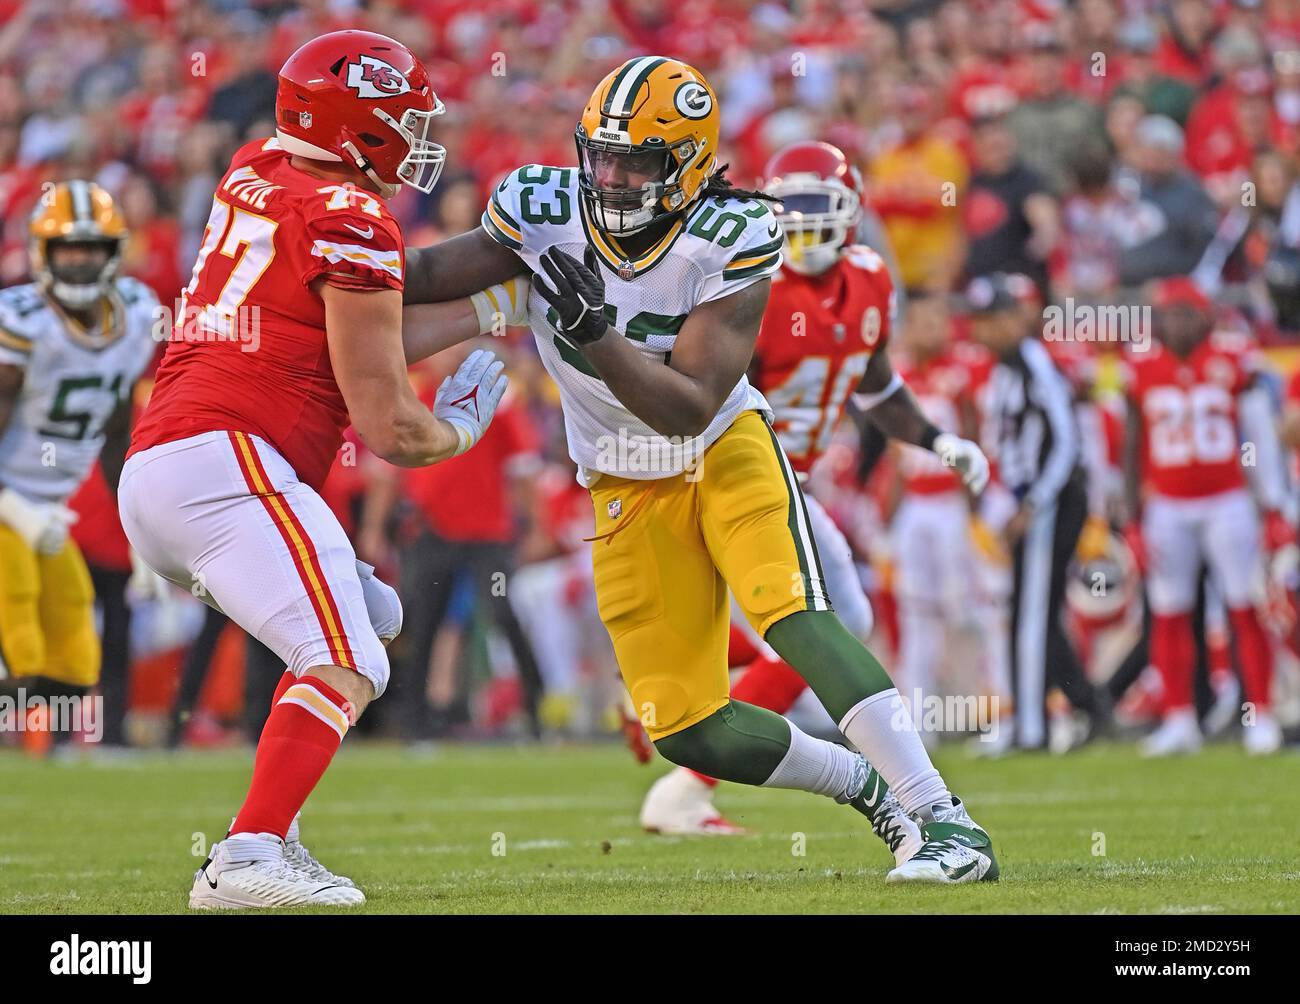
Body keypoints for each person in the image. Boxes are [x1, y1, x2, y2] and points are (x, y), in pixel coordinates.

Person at [403, 61, 999, 884]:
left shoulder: (736, 231)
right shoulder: (542, 209)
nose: (610, 178)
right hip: (619, 478)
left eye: (636, 161)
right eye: (601, 156)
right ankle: (868, 789)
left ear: (688, 163)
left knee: (797, 613)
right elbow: (426, 277)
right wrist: (333, 268)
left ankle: (947, 819)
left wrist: (594, 329)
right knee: (685, 728)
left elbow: (686, 405)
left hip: (719, 447)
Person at [117, 30, 523, 909]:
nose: (419, 140)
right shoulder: (350, 215)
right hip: (227, 463)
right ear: (355, 126)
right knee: (345, 658)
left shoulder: (255, 167)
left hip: (168, 469)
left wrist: (490, 305)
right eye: (404, 121)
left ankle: (272, 834)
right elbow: (390, 426)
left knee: (372, 617)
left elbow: (354, 329)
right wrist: (453, 429)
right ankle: (249, 855)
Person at [637, 141, 988, 846]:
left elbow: (877, 384)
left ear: (851, 212)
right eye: (789, 207)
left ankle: (690, 767)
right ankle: (688, 780)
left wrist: (936, 439)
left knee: (832, 621)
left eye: (816, 207)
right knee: (820, 622)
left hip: (790, 479)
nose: (801, 223)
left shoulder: (869, 280)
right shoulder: (750, 280)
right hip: (731, 473)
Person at [0, 181, 156, 753]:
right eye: (68, 249)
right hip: (9, 500)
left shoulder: (135, 317)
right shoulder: (21, 323)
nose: (80, 261)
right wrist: (10, 505)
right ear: (43, 253)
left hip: (46, 506)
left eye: (91, 248)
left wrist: (140, 534)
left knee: (74, 638)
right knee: (16, 631)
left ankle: (55, 752)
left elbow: (117, 433)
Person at [1124, 278, 1285, 756]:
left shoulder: (1234, 361)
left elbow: (1259, 436)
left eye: (1186, 312)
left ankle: (1261, 715)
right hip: (1167, 506)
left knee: (1244, 605)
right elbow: (1133, 448)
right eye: (1169, 313)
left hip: (1227, 499)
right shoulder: (1142, 367)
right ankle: (1178, 719)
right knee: (1169, 612)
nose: (1177, 322)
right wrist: (1131, 517)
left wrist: (1272, 503)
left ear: (1205, 315)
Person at [968, 272, 1105, 750]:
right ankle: (1078, 706)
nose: (983, 331)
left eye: (992, 320)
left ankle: (1031, 726)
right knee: (1033, 609)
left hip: (1052, 499)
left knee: (1030, 614)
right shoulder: (1005, 370)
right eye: (979, 321)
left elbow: (1067, 442)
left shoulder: (1033, 364)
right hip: (1028, 499)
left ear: (1014, 319)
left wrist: (1032, 503)